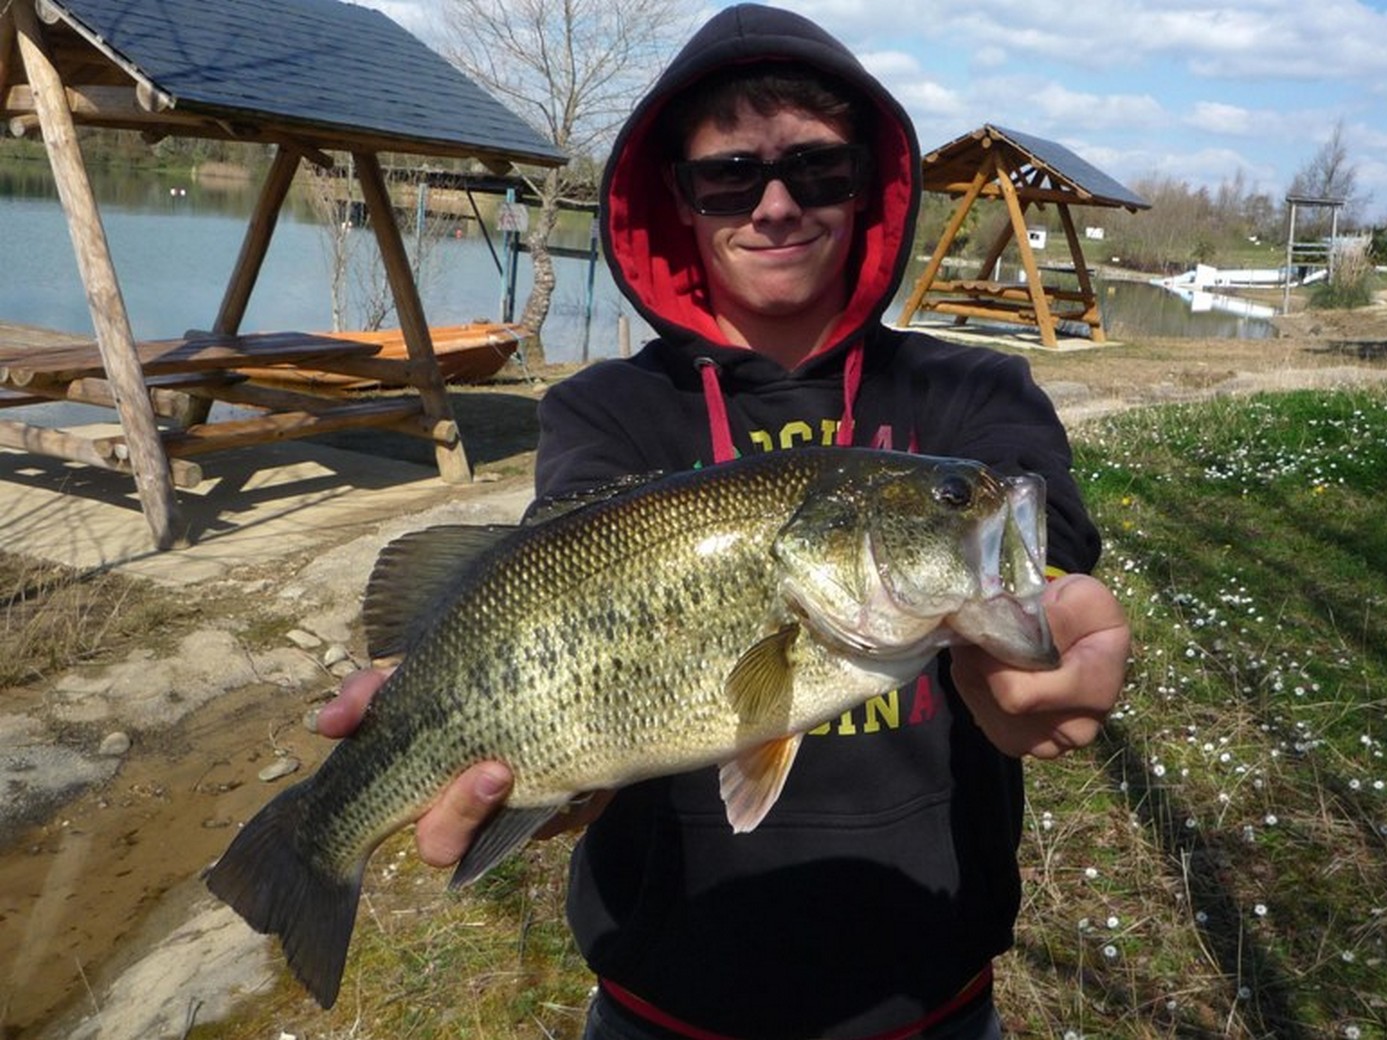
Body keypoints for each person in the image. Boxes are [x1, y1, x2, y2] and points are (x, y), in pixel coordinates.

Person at [320, 5, 1129, 1037]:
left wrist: (1048, 620)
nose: (778, 205)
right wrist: (554, 773)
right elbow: (539, 604)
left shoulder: (968, 390)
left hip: (929, 995)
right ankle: (319, 839)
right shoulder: (602, 411)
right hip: (666, 1000)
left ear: (869, 183)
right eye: (731, 176)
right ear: (680, 200)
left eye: (819, 170)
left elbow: (1044, 530)